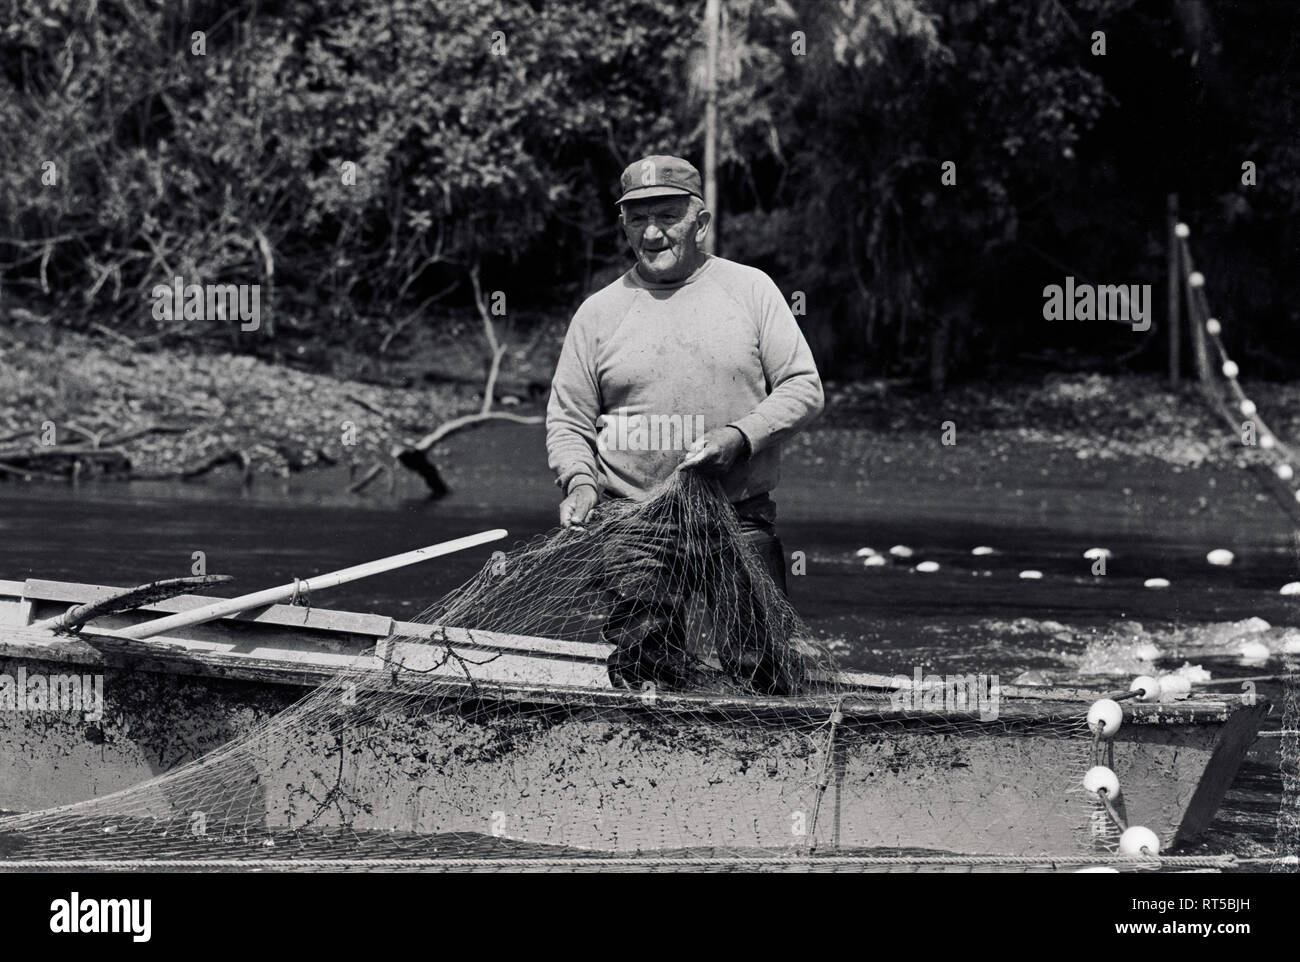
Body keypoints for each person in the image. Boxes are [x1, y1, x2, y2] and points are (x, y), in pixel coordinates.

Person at [545, 155, 823, 693]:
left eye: (668, 216)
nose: (652, 233)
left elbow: (803, 388)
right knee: (647, 670)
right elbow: (569, 420)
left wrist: (739, 438)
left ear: (700, 221)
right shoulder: (598, 314)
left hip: (736, 516)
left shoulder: (751, 290)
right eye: (636, 219)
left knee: (758, 667)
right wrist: (579, 481)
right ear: (623, 224)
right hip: (635, 521)